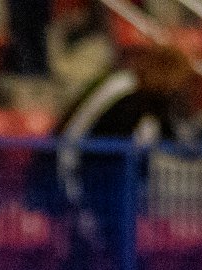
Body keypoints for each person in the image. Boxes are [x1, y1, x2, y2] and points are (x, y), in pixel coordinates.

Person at [56, 43, 192, 239]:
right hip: (77, 176)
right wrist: (72, 192)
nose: (176, 89)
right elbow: (72, 135)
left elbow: (172, 139)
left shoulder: (155, 100)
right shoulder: (120, 87)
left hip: (114, 189)